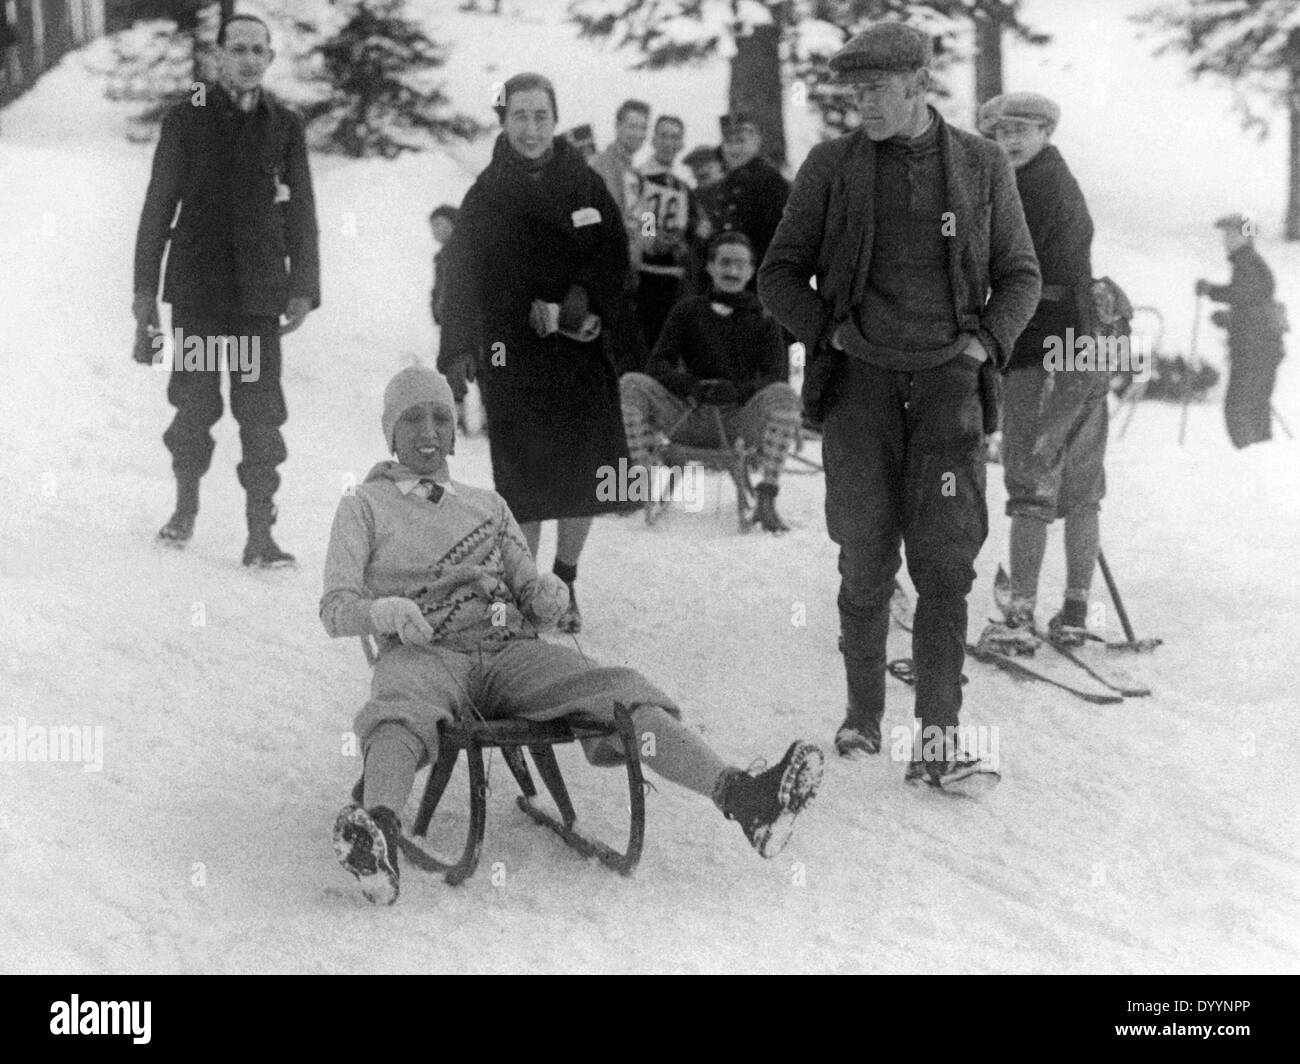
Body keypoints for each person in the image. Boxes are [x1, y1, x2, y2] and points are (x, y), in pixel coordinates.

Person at [322, 365, 826, 904]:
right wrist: (385, 613)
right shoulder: (364, 507)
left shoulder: (487, 505)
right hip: (422, 651)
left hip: (505, 650)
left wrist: (545, 595)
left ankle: (745, 798)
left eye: (441, 418)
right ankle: (379, 835)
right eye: (412, 419)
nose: (428, 431)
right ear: (389, 432)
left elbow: (525, 582)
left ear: (452, 430)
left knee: (621, 691)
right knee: (400, 712)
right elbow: (336, 608)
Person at [758, 23, 1040, 789]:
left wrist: (983, 345)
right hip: (861, 395)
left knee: (946, 563)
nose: (863, 106)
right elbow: (778, 276)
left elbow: (1021, 275)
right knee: (865, 555)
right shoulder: (831, 168)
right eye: (854, 93)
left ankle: (941, 736)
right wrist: (832, 338)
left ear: (920, 85)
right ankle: (862, 714)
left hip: (950, 393)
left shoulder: (981, 168)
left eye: (877, 90)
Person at [437, 73, 635, 633]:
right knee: (524, 477)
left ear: (555, 119)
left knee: (584, 470)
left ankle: (565, 579)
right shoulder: (485, 194)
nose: (530, 128)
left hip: (579, 352)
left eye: (540, 116)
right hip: (513, 356)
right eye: (519, 116)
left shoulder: (586, 184)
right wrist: (457, 352)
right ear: (503, 121)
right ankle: (529, 590)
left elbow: (614, 259)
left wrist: (578, 303)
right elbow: (462, 278)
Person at [133, 13, 319, 567]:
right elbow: (157, 207)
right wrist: (145, 292)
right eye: (236, 49)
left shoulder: (283, 126)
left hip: (258, 302)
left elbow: (302, 213)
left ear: (269, 58)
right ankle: (184, 506)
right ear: (217, 57)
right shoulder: (186, 118)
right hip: (199, 297)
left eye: (258, 50)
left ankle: (260, 535)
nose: (247, 59)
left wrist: (303, 287)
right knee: (194, 406)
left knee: (261, 415)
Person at [974, 92, 1103, 652]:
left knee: (1030, 481)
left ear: (1047, 132)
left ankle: (1019, 617)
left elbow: (1011, 267)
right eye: (1004, 131)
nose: (1013, 139)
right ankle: (1074, 610)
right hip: (1083, 347)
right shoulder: (1057, 179)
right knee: (1080, 488)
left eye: (1025, 129)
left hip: (1041, 349)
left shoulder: (1030, 186)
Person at [621, 231, 800, 533]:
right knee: (631, 384)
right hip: (688, 415)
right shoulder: (688, 310)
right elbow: (658, 364)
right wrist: (691, 386)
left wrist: (737, 391)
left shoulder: (765, 318)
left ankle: (767, 496)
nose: (732, 271)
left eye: (740, 264)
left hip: (738, 423)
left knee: (784, 395)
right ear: (710, 267)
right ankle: (641, 481)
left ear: (751, 270)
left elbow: (775, 378)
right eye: (725, 262)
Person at [1197, 214, 1287, 449]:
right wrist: (1225, 310)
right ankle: (1262, 457)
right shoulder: (1250, 262)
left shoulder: (1246, 263)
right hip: (1262, 349)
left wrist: (1221, 307)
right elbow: (1251, 300)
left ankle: (1251, 458)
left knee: (1238, 409)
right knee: (1256, 408)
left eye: (1229, 234)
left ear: (1243, 236)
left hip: (1254, 351)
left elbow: (1246, 300)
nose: (1224, 240)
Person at [633, 115, 701, 349]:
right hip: (644, 273)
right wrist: (652, 236)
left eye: (675, 137)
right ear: (653, 140)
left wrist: (685, 238)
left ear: (681, 143)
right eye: (663, 136)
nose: (668, 143)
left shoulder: (682, 186)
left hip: (673, 275)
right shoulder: (639, 176)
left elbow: (693, 228)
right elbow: (645, 210)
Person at [716, 114, 790, 287]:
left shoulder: (770, 181)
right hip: (726, 277)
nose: (734, 149)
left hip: (754, 279)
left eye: (740, 141)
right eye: (729, 143)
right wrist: (648, 235)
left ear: (757, 141)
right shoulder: (724, 184)